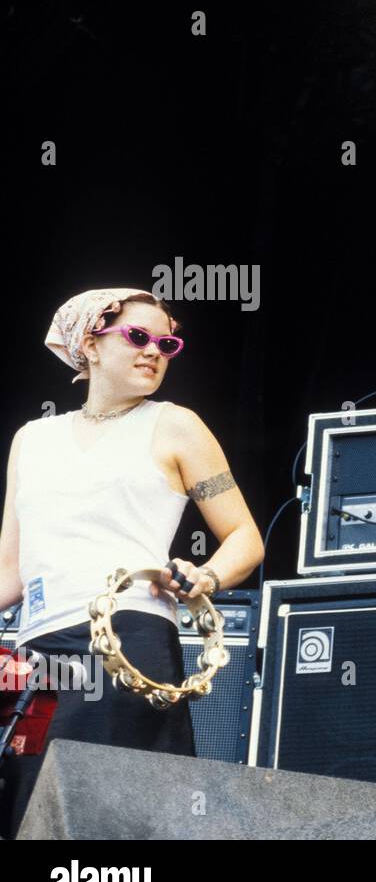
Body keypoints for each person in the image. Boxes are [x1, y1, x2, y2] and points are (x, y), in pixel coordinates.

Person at [0, 288, 264, 837]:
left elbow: (244, 535)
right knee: (30, 809)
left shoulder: (174, 425)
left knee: (108, 814)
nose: (155, 352)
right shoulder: (32, 439)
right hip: (36, 652)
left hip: (127, 636)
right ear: (90, 344)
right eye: (138, 337)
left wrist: (204, 575)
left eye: (166, 343)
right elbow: (11, 573)